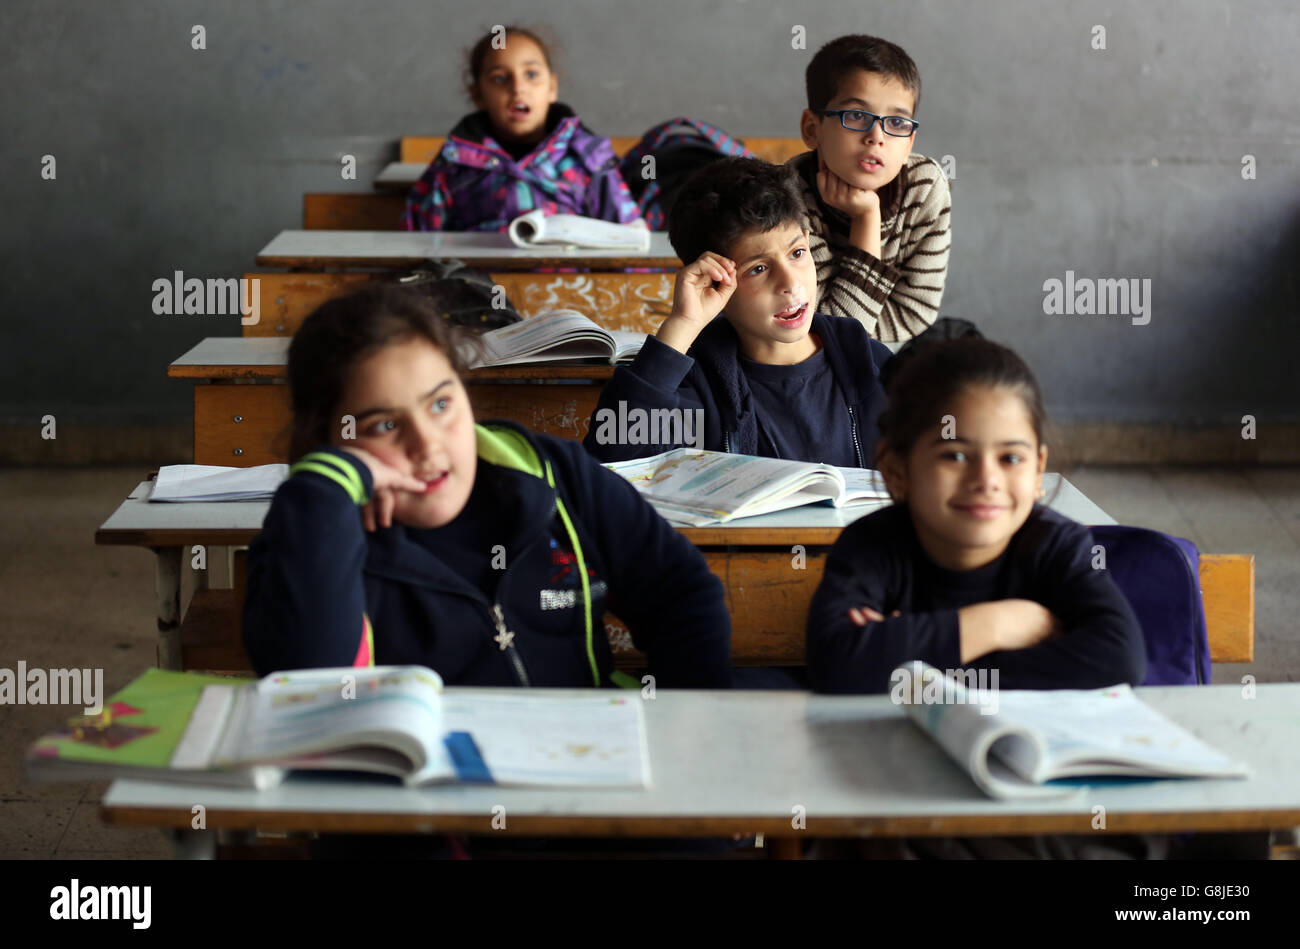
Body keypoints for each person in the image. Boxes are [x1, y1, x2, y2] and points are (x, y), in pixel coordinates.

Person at [242, 283, 731, 690]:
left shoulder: (552, 472)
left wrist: (676, 729)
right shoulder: (310, 538)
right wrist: (327, 489)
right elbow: (308, 687)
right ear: (330, 441)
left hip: (584, 768)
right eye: (383, 426)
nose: (427, 446)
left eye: (439, 405)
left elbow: (683, 594)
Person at [807, 324, 1147, 694]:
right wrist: (999, 626)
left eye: (1011, 457)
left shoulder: (1056, 545)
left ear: (1037, 471)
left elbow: (1120, 659)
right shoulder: (871, 544)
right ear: (895, 469)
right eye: (955, 455)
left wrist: (906, 652)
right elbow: (835, 664)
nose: (987, 480)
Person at [582, 156, 893, 466]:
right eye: (758, 268)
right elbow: (610, 461)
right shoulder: (698, 387)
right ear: (714, 281)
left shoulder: (872, 365)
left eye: (797, 253)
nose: (790, 283)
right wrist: (682, 324)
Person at [791, 34, 951, 342]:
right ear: (813, 129)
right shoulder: (789, 198)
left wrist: (852, 331)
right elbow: (831, 333)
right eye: (856, 116)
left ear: (909, 145)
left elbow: (916, 311)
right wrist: (866, 218)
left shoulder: (925, 186)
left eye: (897, 123)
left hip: (895, 355)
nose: (877, 136)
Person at [403, 25, 642, 231]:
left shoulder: (590, 161)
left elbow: (630, 246)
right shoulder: (454, 163)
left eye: (531, 74)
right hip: (477, 283)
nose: (518, 88)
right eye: (499, 78)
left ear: (552, 87)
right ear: (477, 94)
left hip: (569, 284)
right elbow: (417, 247)